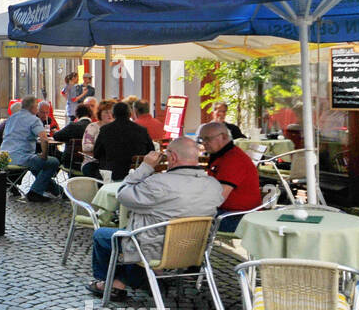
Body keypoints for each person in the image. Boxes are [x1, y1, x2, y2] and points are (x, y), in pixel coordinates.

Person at [89, 137, 225, 298]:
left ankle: (111, 283)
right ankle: (134, 279)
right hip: (193, 249)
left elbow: (123, 194)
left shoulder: (158, 183)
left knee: (102, 236)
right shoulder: (214, 185)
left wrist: (145, 167)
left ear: (173, 157)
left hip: (154, 249)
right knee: (136, 234)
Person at [197, 120, 263, 231]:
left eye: (207, 139)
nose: (203, 143)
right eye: (201, 139)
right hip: (231, 212)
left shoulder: (233, 160)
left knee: (185, 219)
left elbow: (218, 197)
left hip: (239, 217)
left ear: (223, 136)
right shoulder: (222, 155)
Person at [0, 96, 62, 201]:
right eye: (37, 107)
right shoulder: (34, 120)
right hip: (22, 158)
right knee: (53, 162)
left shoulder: (11, 118)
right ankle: (35, 192)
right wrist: (44, 155)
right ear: (33, 107)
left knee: (36, 166)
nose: (37, 109)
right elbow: (44, 139)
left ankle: (58, 190)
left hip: (4, 157)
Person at [91, 101, 155, 181]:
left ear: (113, 115)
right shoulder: (141, 130)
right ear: (130, 114)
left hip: (113, 175)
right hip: (137, 174)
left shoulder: (105, 130)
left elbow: (97, 153)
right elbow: (151, 151)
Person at [52, 103, 94, 169]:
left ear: (77, 115)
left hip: (71, 163)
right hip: (89, 164)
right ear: (90, 114)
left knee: (53, 154)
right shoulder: (96, 128)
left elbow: (56, 136)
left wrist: (55, 131)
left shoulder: (73, 126)